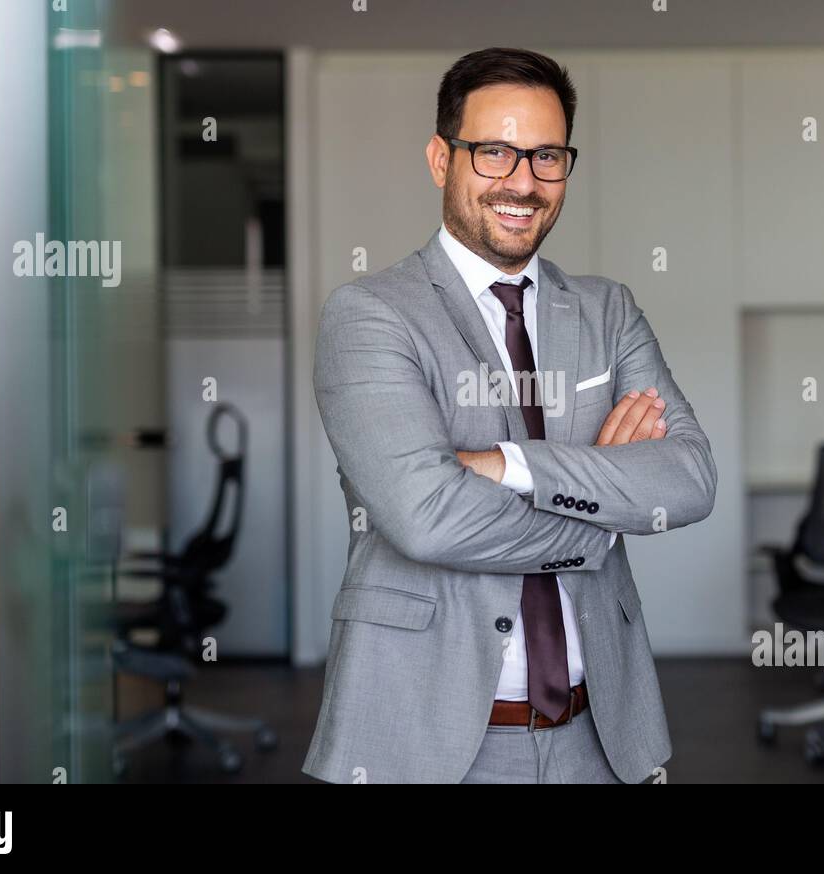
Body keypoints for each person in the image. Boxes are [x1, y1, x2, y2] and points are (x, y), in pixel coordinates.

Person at [303, 47, 716, 783]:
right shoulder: (370, 316)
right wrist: (603, 515)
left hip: (602, 735)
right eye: (494, 152)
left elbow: (687, 479)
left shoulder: (608, 310)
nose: (522, 182)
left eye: (546, 156)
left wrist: (508, 464)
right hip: (425, 741)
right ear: (441, 159)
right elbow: (425, 516)